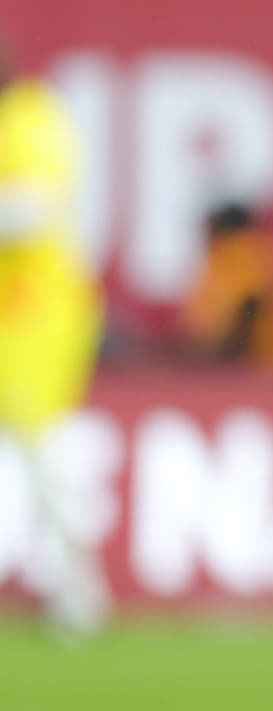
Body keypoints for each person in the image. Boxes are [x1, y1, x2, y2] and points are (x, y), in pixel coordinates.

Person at [0, 35, 107, 634]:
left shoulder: (29, 118)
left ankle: (78, 587)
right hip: (16, 306)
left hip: (32, 311)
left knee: (38, 446)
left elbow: (30, 211)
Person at [177, 202, 273, 375]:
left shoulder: (241, 250)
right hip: (264, 362)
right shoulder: (246, 250)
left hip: (260, 364)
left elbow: (252, 304)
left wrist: (223, 351)